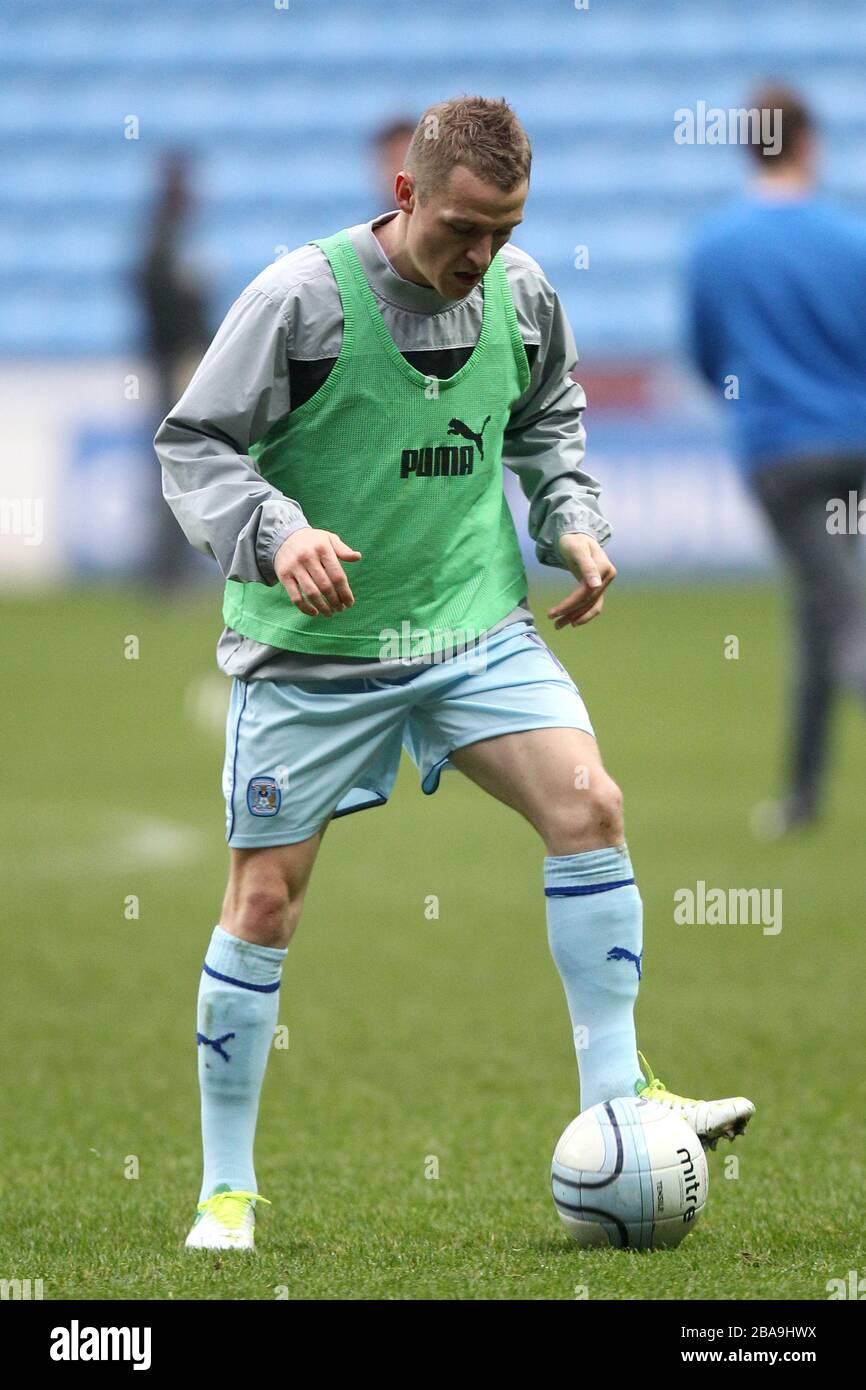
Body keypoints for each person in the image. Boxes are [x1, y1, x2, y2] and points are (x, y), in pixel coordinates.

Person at [155, 95, 754, 1252]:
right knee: (264, 901)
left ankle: (618, 1098)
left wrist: (570, 523)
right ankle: (224, 1192)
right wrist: (279, 532)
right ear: (405, 197)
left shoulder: (521, 293)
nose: (480, 256)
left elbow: (547, 424)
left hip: (467, 629)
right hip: (313, 654)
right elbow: (194, 444)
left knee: (590, 807)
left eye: (505, 228)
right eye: (462, 230)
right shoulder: (301, 299)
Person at [687, 84, 866, 838]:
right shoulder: (850, 239)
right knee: (828, 609)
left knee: (837, 612)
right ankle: (800, 796)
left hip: (777, 453)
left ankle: (800, 798)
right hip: (854, 446)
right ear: (809, 143)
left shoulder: (716, 245)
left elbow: (705, 354)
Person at [137, 151, 212, 587]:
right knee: (175, 462)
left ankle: (172, 568)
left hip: (180, 361)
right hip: (175, 362)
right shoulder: (162, 242)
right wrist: (188, 345)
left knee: (177, 462)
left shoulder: (169, 238)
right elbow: (161, 303)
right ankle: (167, 572)